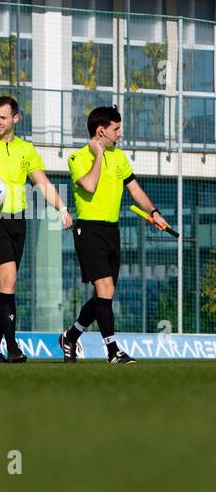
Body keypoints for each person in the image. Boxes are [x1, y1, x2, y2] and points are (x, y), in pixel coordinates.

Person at [0, 96, 73, 362]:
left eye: (3, 117)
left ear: (15, 118)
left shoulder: (26, 150)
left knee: (3, 286)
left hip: (18, 220)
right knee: (9, 279)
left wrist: (62, 208)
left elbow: (42, 183)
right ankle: (13, 347)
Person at [59, 106, 170, 364]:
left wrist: (154, 212)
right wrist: (97, 155)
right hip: (88, 229)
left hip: (112, 230)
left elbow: (134, 190)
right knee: (105, 288)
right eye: (116, 129)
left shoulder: (120, 158)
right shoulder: (76, 158)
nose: (119, 134)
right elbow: (89, 185)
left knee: (104, 295)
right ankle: (113, 351)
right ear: (101, 131)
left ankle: (71, 336)